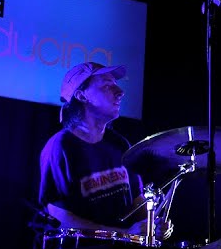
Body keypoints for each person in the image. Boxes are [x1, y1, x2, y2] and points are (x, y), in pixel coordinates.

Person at [38, 62, 148, 237]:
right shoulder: (61, 146)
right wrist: (123, 234)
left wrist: (150, 226)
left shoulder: (119, 143)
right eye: (107, 85)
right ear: (82, 96)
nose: (120, 92)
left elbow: (137, 199)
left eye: (116, 85)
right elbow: (60, 217)